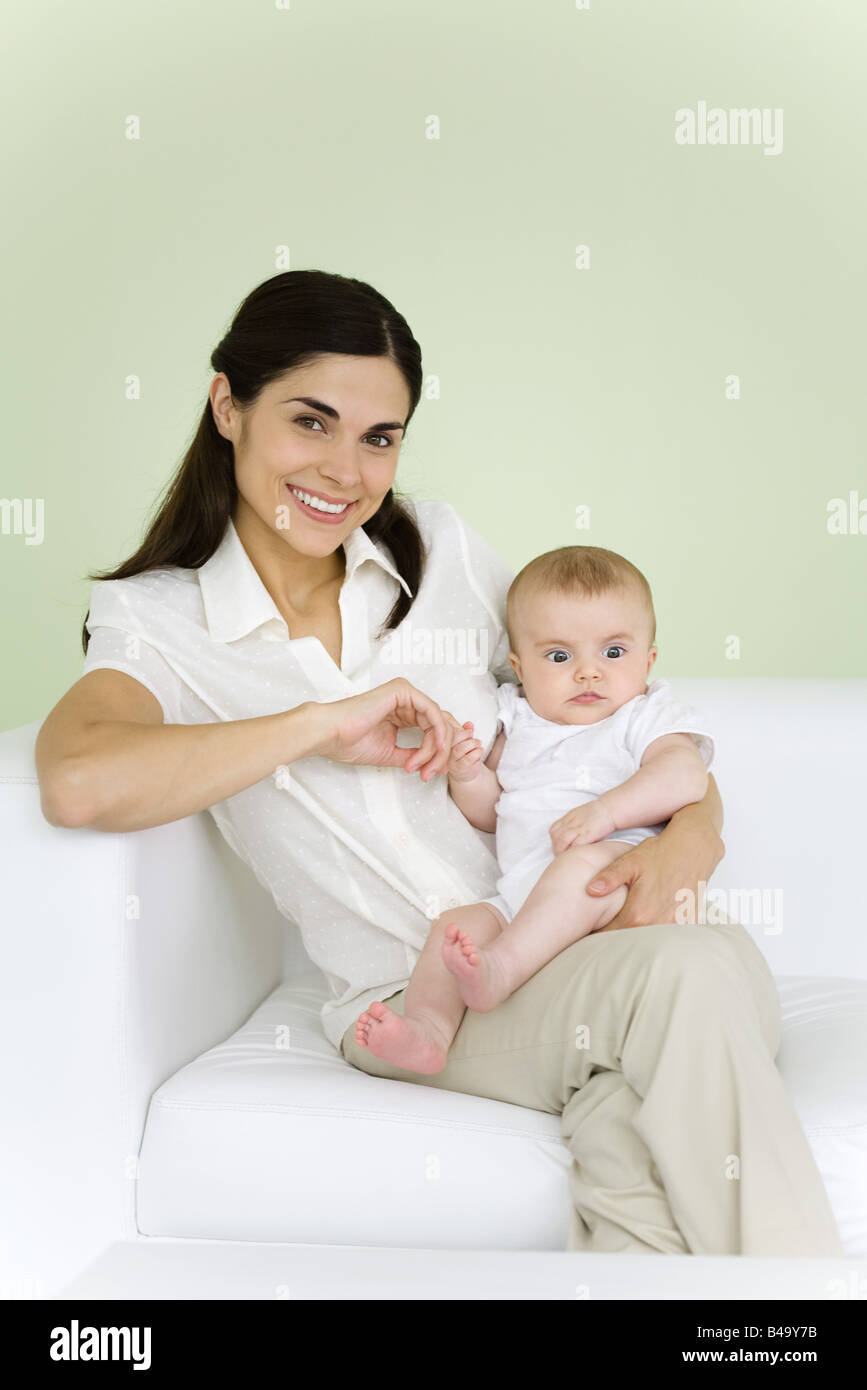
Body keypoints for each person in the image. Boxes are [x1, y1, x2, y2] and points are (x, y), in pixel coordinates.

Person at [35, 268, 843, 1257]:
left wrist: (693, 843)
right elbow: (79, 778)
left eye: (380, 436)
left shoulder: (444, 553)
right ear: (227, 405)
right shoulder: (156, 620)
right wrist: (320, 722)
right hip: (434, 1004)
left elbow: (610, 710)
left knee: (637, 1127)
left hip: (605, 942)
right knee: (684, 982)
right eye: (311, 421)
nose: (345, 470)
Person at [353, 546, 716, 1076]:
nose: (589, 674)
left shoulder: (643, 715)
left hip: (616, 880)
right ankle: (429, 1032)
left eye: (614, 653)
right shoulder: (518, 722)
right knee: (458, 923)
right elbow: (492, 815)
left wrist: (606, 814)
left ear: (649, 660)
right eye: (560, 657)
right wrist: (470, 775)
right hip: (522, 896)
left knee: (578, 867)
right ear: (521, 668)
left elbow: (686, 775)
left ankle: (501, 971)